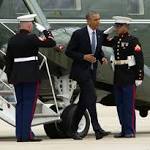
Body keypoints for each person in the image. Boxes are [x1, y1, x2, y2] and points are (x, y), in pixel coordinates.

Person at [5, 14, 61, 142]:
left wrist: (10, 77)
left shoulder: (12, 39)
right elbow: (51, 42)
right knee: (29, 106)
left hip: (17, 77)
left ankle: (20, 135)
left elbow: (8, 61)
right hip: (30, 76)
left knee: (20, 106)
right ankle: (27, 135)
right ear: (30, 25)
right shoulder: (32, 38)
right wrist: (45, 31)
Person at [65, 11, 110, 140]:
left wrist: (101, 58)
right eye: (95, 20)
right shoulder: (78, 34)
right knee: (92, 95)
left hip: (92, 71)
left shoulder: (100, 34)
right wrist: (83, 56)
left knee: (83, 102)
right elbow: (69, 51)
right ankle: (97, 129)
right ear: (88, 21)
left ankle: (72, 130)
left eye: (99, 19)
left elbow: (98, 49)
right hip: (80, 71)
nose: (98, 22)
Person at [103, 16, 144, 138]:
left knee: (128, 106)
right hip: (118, 76)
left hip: (129, 76)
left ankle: (130, 131)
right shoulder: (116, 40)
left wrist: (139, 76)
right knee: (120, 106)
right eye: (116, 26)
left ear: (126, 27)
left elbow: (139, 60)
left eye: (119, 26)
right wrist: (108, 30)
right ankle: (124, 129)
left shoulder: (133, 40)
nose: (117, 28)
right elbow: (103, 40)